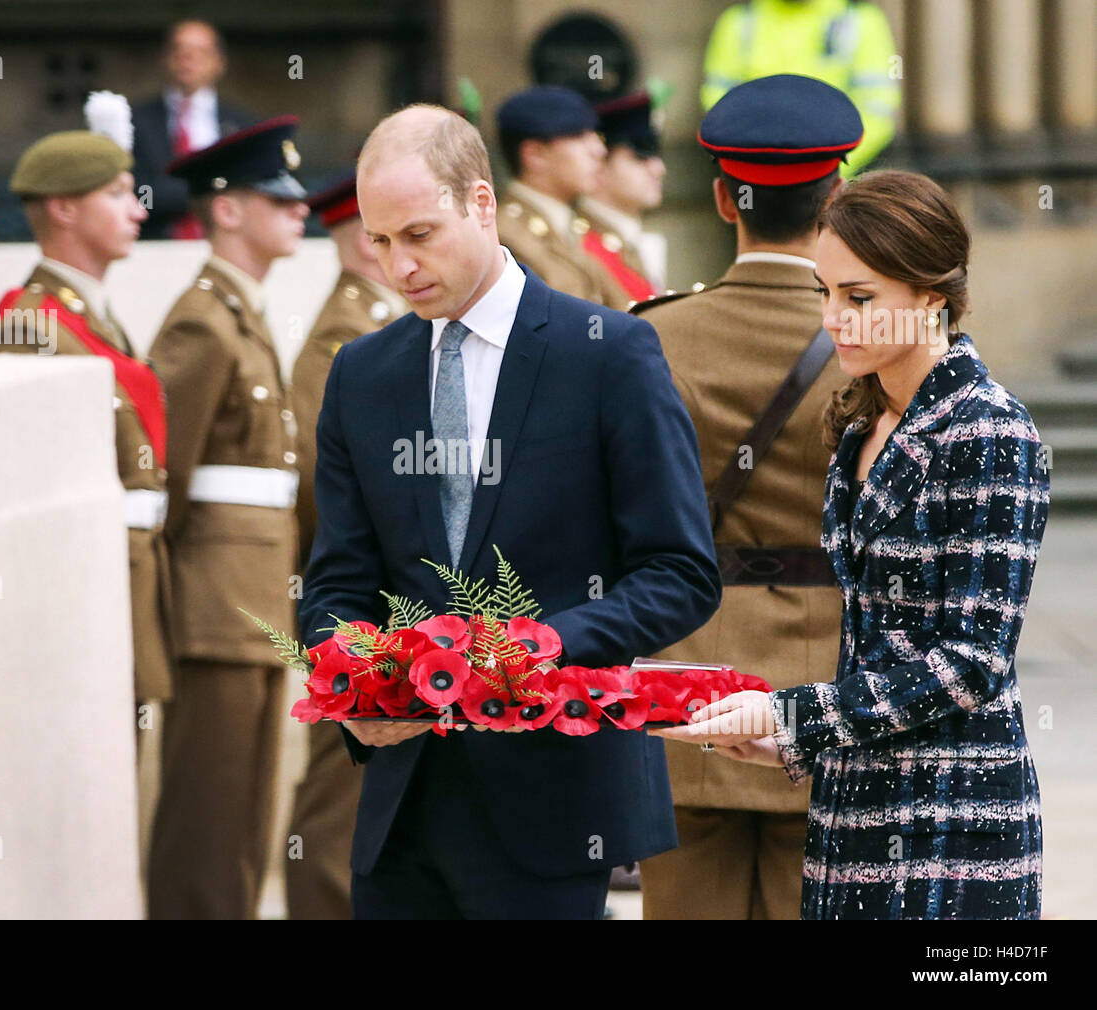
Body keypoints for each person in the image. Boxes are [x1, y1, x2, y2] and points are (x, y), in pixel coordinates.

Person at [300, 104, 722, 920]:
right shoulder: (360, 374)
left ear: (482, 204)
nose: (399, 266)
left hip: (555, 804)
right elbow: (335, 583)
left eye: (419, 234)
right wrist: (349, 677)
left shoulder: (608, 352)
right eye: (381, 242)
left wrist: (543, 645)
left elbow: (679, 572)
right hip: (403, 811)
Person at [661, 169, 1049, 920]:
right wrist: (791, 746)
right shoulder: (864, 420)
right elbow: (873, 643)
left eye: (859, 298)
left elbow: (971, 662)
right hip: (850, 808)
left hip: (953, 816)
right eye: (826, 294)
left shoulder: (989, 428)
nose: (834, 318)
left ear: (931, 297)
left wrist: (791, 715)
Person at [632, 74, 859, 921]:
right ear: (838, 199)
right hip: (828, 694)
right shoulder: (869, 340)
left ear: (726, 199)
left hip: (687, 692)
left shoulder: (648, 335)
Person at [145, 116, 309, 920]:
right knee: (206, 817)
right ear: (228, 211)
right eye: (273, 197)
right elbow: (160, 475)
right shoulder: (202, 319)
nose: (299, 208)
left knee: (246, 813)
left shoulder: (239, 311)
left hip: (250, 602)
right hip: (214, 605)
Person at [0, 130, 172, 722]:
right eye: (118, 193)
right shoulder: (30, 323)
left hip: (125, 574)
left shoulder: (88, 314)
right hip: (79, 584)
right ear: (64, 209)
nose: (139, 208)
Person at [284, 172, 407, 921]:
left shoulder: (378, 319)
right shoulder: (346, 335)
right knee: (339, 784)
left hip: (385, 593)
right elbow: (323, 485)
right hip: (362, 597)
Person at [701, 0, 900, 175]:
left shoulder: (861, 19)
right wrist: (760, 167)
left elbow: (878, 110)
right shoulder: (738, 21)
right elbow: (718, 105)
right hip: (755, 180)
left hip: (838, 176)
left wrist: (826, 169)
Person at [493, 85, 624, 308]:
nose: (599, 150)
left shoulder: (581, 226)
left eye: (595, 135)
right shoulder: (506, 237)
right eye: (580, 137)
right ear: (534, 154)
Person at [132, 19, 255, 239]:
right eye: (179, 50)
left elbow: (251, 193)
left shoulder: (243, 125)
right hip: (154, 248)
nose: (188, 59)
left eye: (201, 52)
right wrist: (211, 190)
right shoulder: (136, 121)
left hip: (224, 243)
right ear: (164, 58)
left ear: (219, 62)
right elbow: (137, 193)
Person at [579, 91, 667, 302]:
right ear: (599, 163)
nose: (659, 169)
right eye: (640, 156)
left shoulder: (628, 241)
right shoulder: (583, 248)